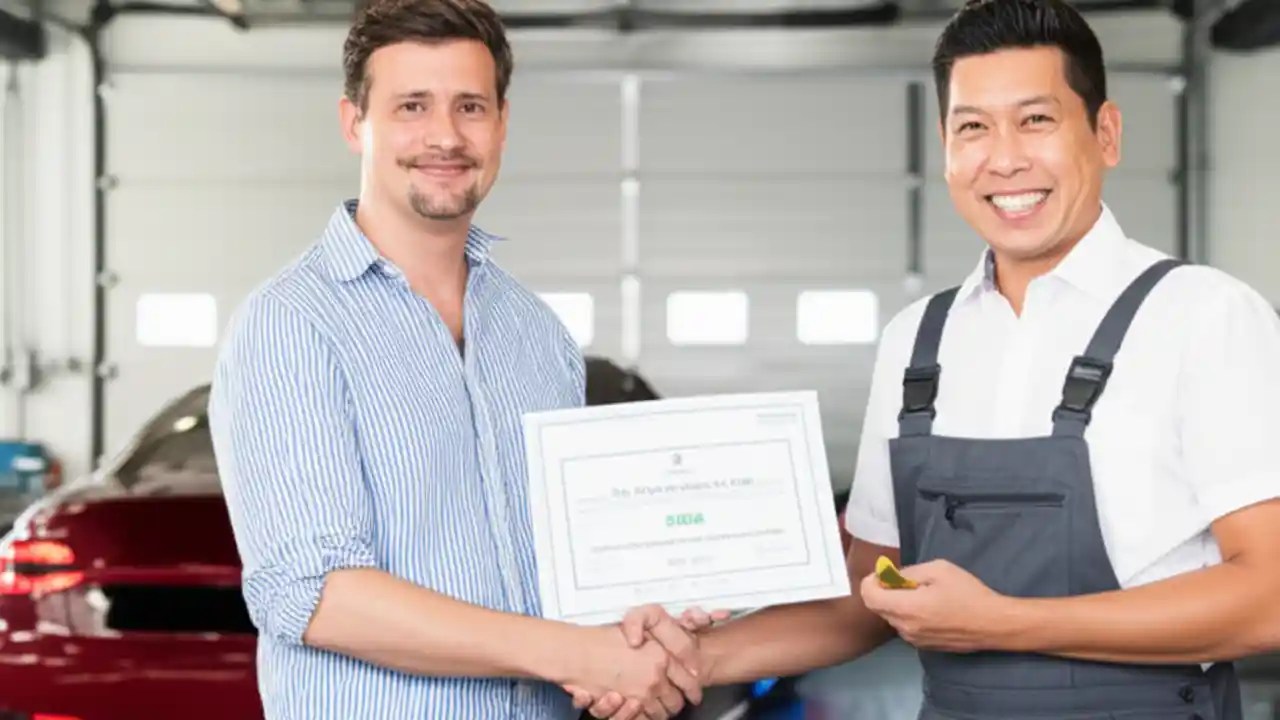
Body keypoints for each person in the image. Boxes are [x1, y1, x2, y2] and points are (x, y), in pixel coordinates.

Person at [575, 1, 1280, 718]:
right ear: (944, 145)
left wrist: (1006, 621)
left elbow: (1268, 599)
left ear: (1106, 133)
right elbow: (868, 598)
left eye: (1036, 119)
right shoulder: (919, 340)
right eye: (973, 126)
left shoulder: (1203, 317)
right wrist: (689, 660)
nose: (1004, 157)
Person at [207, 1, 702, 718]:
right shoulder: (291, 324)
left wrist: (634, 644)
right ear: (355, 123)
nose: (445, 135)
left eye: (469, 106)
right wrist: (576, 654)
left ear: (501, 123)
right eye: (412, 105)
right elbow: (312, 592)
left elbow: (571, 565)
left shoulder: (537, 333)